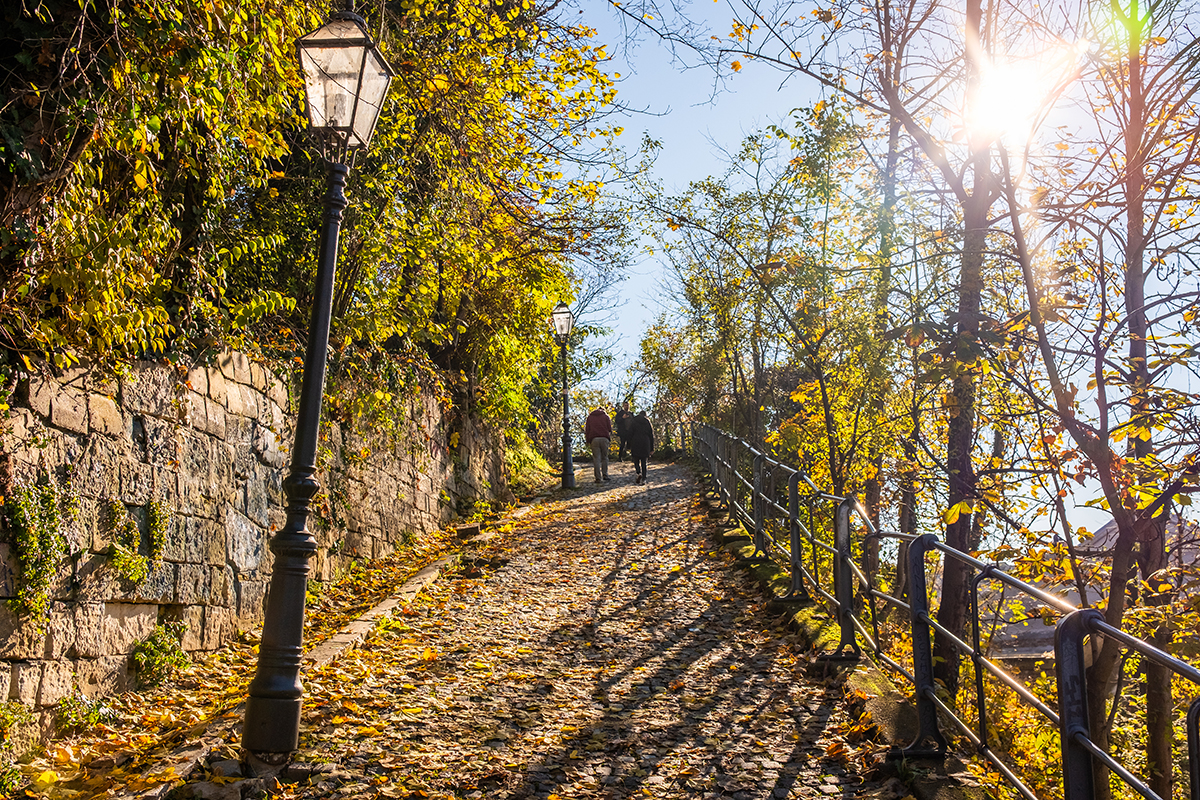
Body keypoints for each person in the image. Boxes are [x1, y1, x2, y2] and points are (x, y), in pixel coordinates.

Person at [583, 406, 612, 483]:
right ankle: (605, 475)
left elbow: (587, 430)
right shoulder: (606, 416)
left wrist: (588, 440)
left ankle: (598, 477)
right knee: (605, 458)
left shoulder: (590, 417)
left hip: (594, 439)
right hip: (604, 438)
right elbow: (609, 428)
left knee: (596, 458)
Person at [627, 411, 654, 485]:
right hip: (645, 442)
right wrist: (652, 448)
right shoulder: (647, 422)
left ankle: (638, 472)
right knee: (644, 462)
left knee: (636, 460)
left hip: (635, 441)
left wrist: (628, 445)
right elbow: (651, 435)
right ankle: (644, 479)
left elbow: (630, 433)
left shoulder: (634, 421)